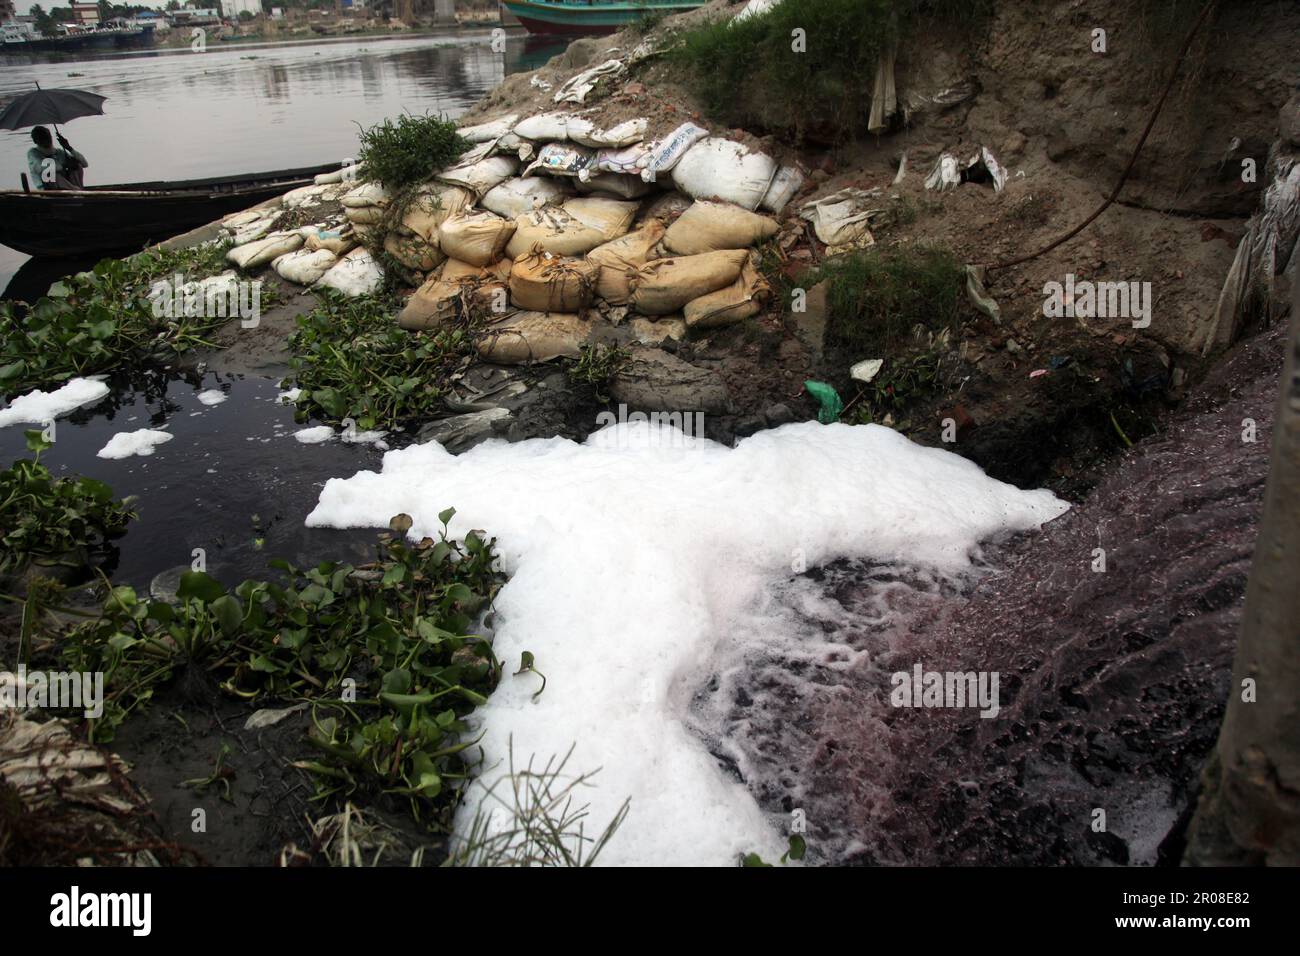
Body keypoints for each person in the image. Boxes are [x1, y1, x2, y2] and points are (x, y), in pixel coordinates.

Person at [26, 125, 88, 190]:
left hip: (68, 188)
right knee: (51, 174)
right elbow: (42, 167)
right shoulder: (33, 153)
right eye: (42, 138)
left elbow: (84, 164)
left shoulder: (59, 152)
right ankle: (77, 191)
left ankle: (78, 191)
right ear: (35, 141)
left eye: (47, 136)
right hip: (47, 190)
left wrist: (69, 148)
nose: (46, 140)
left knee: (77, 166)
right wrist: (63, 166)